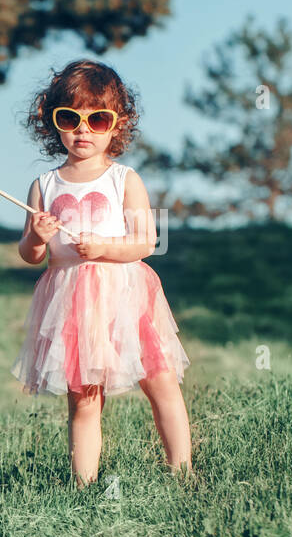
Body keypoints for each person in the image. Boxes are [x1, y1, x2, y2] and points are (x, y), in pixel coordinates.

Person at [12, 59, 192, 486]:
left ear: (117, 124)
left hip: (127, 295)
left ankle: (182, 473)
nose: (83, 130)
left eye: (97, 119)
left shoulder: (124, 180)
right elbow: (30, 255)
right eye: (69, 118)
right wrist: (37, 237)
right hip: (73, 302)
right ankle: (84, 486)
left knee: (161, 381)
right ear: (53, 122)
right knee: (84, 398)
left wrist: (103, 248)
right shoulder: (45, 185)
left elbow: (147, 242)